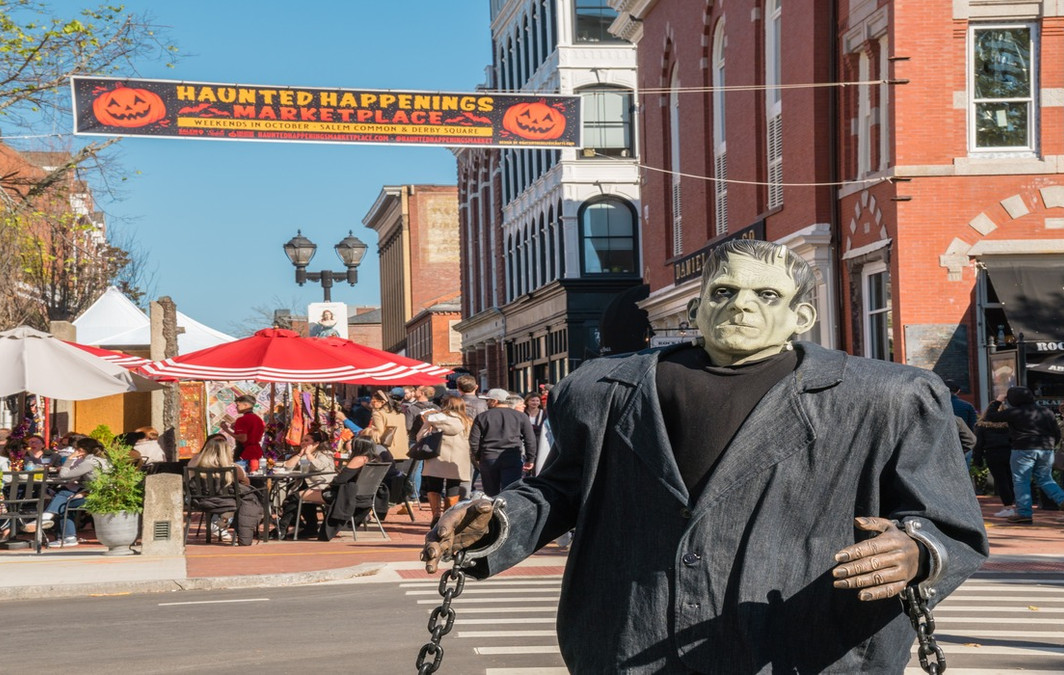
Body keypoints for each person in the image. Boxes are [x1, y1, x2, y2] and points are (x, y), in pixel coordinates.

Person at [423, 239, 988, 672]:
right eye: (724, 291)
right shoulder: (602, 387)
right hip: (628, 641)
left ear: (802, 317)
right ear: (698, 307)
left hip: (802, 644)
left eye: (766, 295)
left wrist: (918, 551)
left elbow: (950, 525)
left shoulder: (888, 396)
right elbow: (561, 489)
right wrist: (499, 519)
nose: (740, 305)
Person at [984, 387, 1064, 525]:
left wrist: (998, 401)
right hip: (1046, 449)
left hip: (1023, 448)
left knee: (1021, 480)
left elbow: (990, 417)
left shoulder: (1014, 412)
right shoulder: (1046, 411)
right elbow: (1057, 432)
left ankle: (1024, 513)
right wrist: (1051, 446)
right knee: (1046, 479)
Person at [187, 434, 262, 545]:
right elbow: (246, 483)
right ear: (226, 452)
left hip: (200, 501)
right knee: (247, 499)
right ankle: (224, 522)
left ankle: (222, 521)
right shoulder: (233, 469)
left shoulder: (195, 465)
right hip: (227, 502)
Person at [414, 395, 474, 527]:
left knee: (434, 486)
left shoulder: (433, 419)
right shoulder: (467, 421)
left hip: (436, 456)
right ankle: (447, 518)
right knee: (453, 487)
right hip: (458, 460)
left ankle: (436, 514)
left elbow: (419, 436)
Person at [42, 437, 109, 547]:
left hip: (97, 496)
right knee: (64, 494)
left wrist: (70, 459)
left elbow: (63, 476)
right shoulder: (102, 460)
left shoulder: (89, 462)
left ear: (81, 450)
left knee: (63, 503)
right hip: (103, 494)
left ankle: (66, 535)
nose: (74, 452)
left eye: (75, 449)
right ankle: (52, 522)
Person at [468, 388, 536, 496]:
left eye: (488, 400)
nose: (486, 403)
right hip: (512, 457)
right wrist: (530, 458)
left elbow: (473, 441)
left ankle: (493, 512)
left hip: (489, 457)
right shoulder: (521, 416)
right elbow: (530, 439)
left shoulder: (482, 417)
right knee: (510, 492)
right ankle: (509, 512)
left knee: (491, 493)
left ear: (495, 401)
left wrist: (478, 456)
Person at [278, 431, 337, 538]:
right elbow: (287, 467)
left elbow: (319, 466)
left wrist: (309, 454)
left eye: (307, 440)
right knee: (292, 501)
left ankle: (282, 530)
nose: (303, 443)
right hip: (306, 485)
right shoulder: (303, 455)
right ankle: (308, 527)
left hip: (321, 487)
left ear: (316, 443)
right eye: (302, 440)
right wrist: (300, 454)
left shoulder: (325, 454)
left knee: (292, 499)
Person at [974, 408, 1016, 517]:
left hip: (992, 453)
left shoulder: (982, 426)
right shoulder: (1010, 425)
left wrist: (977, 460)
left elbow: (979, 444)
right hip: (1009, 452)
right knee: (1011, 479)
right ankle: (1013, 504)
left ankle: (1007, 506)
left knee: (1001, 481)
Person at [221, 394, 265, 472]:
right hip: (257, 451)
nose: (236, 407)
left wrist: (226, 429)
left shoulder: (242, 419)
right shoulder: (258, 419)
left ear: (245, 405)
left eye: (238, 405)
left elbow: (243, 438)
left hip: (244, 452)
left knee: (240, 477)